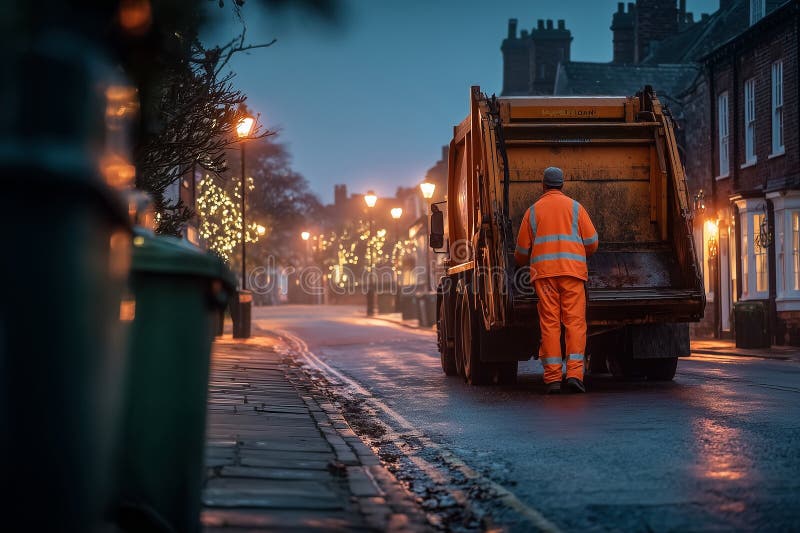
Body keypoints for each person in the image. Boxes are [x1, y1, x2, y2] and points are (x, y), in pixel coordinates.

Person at [514, 167, 599, 394]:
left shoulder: (532, 212)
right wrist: (578, 252)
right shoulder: (576, 208)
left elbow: (521, 252)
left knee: (550, 324)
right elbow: (592, 242)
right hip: (572, 274)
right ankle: (574, 375)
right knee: (575, 323)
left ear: (543, 185)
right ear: (562, 185)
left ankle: (552, 379)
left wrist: (522, 261)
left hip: (544, 276)